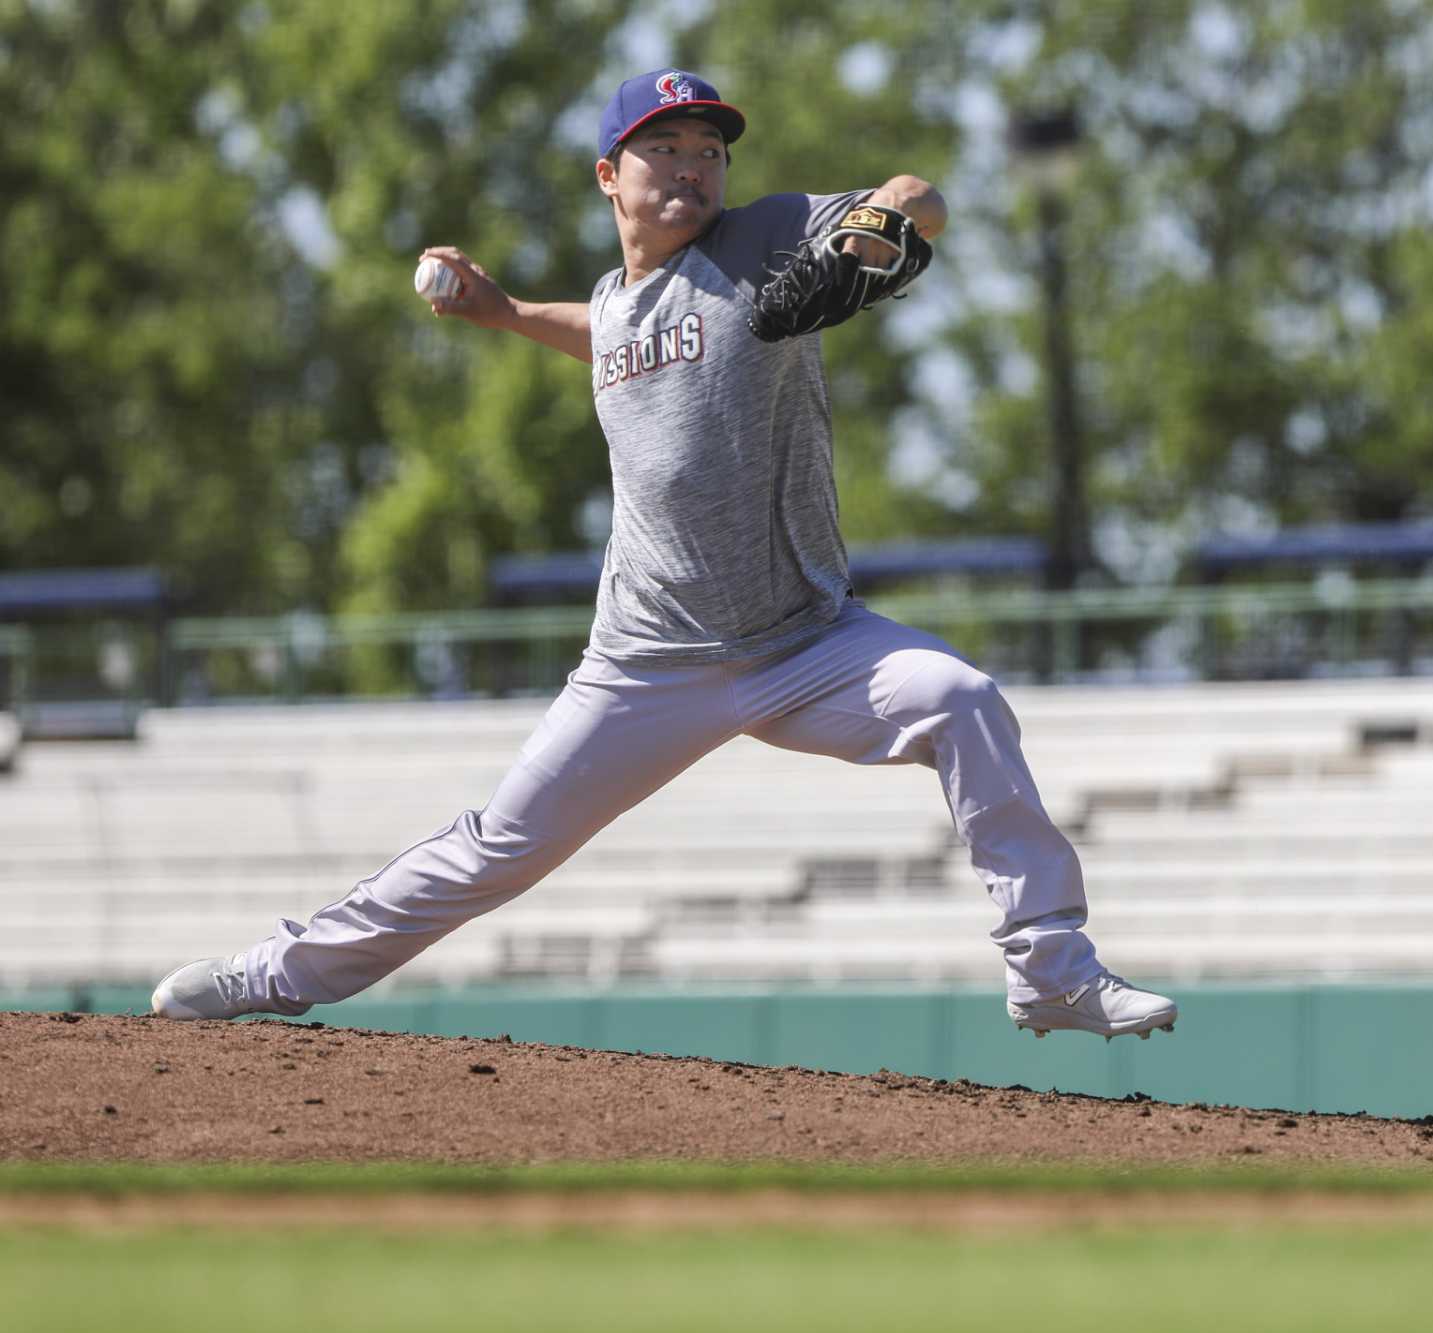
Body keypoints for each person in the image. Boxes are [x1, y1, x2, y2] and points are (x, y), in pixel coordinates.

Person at [151, 68, 1179, 1042]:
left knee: (958, 697)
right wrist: (505, 314)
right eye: (665, 149)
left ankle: (1049, 968)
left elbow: (921, 194)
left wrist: (877, 229)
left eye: (707, 150)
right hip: (646, 664)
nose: (693, 167)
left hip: (808, 643)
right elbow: (609, 332)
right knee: (496, 849)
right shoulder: (613, 305)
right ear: (609, 175)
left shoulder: (764, 235)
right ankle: (274, 975)